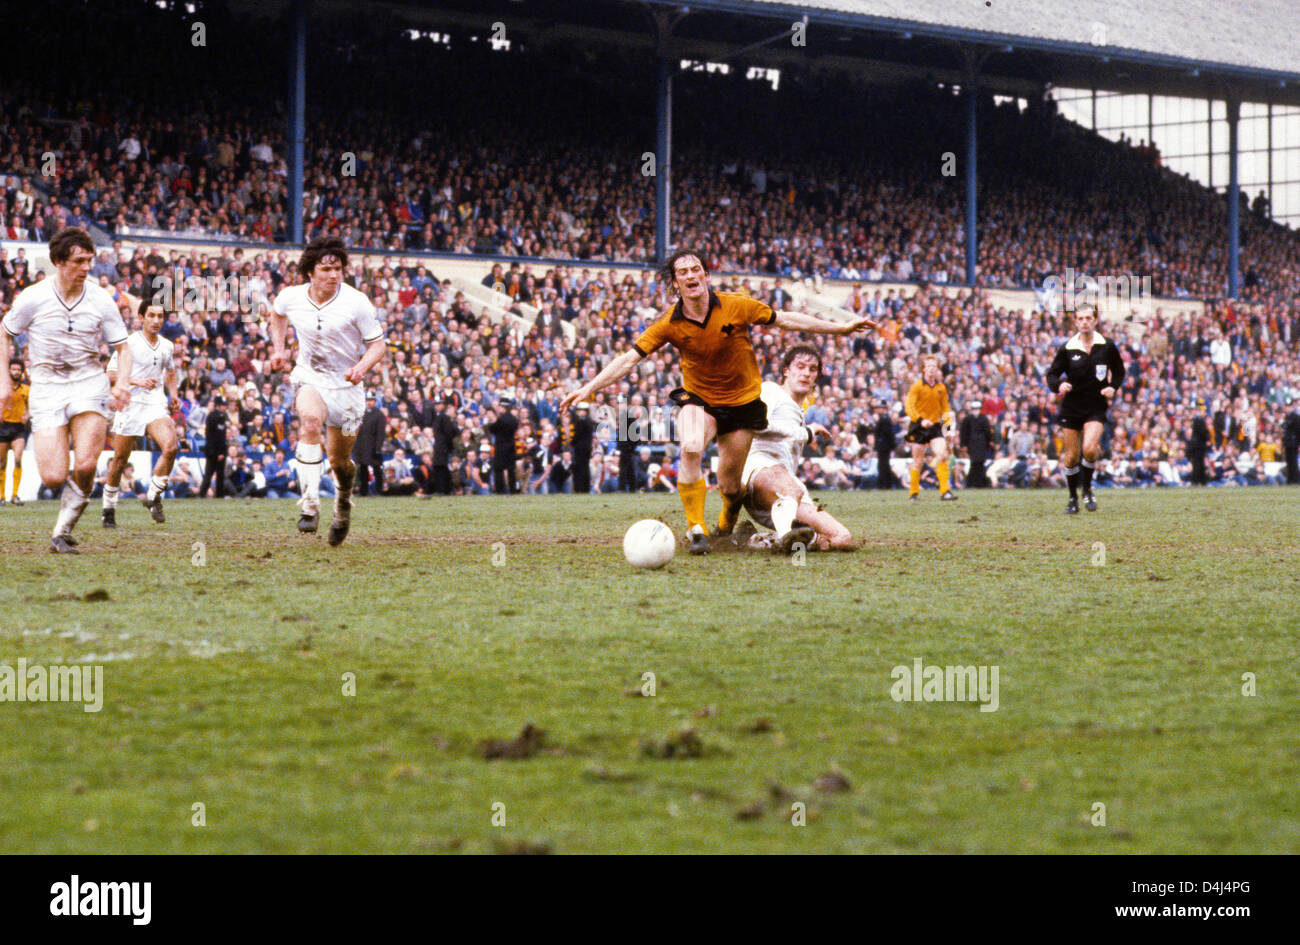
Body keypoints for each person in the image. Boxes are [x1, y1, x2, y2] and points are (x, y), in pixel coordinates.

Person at [558, 250, 874, 554]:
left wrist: (840, 328)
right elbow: (629, 359)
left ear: (706, 276)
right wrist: (589, 388)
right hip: (700, 400)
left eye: (696, 269)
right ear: (675, 283)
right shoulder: (670, 322)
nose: (691, 275)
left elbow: (786, 320)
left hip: (742, 405)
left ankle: (726, 524)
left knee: (731, 488)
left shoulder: (736, 305)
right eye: (683, 272)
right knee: (691, 445)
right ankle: (697, 530)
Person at [0, 227, 132, 553]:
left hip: (88, 381)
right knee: (54, 477)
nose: (87, 267)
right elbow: (4, 334)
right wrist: (4, 381)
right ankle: (63, 521)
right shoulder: (32, 297)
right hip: (45, 384)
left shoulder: (101, 299)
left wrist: (123, 383)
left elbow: (124, 348)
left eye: (90, 260)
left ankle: (62, 530)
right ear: (59, 261)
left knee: (86, 464)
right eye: (79, 261)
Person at [269, 235, 387, 545]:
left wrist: (361, 368)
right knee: (309, 422)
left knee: (340, 463)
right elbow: (277, 313)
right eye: (326, 268)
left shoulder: (356, 301)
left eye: (338, 268)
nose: (333, 275)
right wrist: (279, 350)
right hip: (311, 376)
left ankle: (343, 504)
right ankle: (309, 506)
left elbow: (378, 345)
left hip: (347, 388)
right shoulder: (291, 296)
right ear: (311, 271)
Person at [742, 345, 853, 553]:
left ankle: (754, 540)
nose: (806, 373)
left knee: (840, 538)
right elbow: (756, 424)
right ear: (786, 371)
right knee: (791, 488)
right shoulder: (771, 390)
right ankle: (786, 538)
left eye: (812, 369)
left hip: (787, 492)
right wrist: (807, 433)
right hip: (759, 471)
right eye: (800, 367)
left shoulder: (799, 411)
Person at [101, 299, 180, 527]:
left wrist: (173, 395)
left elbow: (171, 372)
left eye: (160, 316)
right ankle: (109, 508)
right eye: (152, 315)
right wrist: (135, 380)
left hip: (155, 402)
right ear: (141, 318)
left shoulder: (166, 345)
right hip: (131, 402)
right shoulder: (128, 343)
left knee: (171, 446)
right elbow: (111, 373)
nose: (156, 320)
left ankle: (154, 496)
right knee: (119, 460)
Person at [1045, 304, 1126, 514]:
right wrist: (1058, 385)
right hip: (1071, 407)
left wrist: (1112, 387)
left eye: (1088, 318)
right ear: (1075, 322)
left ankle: (1088, 489)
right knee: (1071, 457)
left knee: (1089, 449)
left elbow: (1119, 371)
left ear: (1096, 320)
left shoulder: (1106, 346)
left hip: (1095, 406)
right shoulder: (1068, 348)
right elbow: (1052, 375)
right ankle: (1073, 498)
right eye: (1080, 319)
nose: (1084, 322)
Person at [903, 355, 957, 501]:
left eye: (934, 366)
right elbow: (909, 406)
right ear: (924, 369)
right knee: (918, 461)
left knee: (943, 454)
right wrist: (920, 420)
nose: (932, 369)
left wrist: (948, 429)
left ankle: (945, 491)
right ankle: (913, 493)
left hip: (934, 426)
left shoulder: (941, 388)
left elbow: (945, 409)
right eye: (929, 366)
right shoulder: (917, 386)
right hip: (918, 427)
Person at [0, 359, 30, 505]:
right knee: (1, 463)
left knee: (18, 459)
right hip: (3, 426)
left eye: (19, 369)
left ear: (22, 371)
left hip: (19, 427)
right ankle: (1, 496)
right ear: (9, 371)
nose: (16, 372)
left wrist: (27, 415)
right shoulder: (3, 388)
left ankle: (15, 494)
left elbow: (31, 406)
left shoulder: (26, 389)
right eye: (14, 369)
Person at [353, 392, 386, 497]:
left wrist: (378, 448)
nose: (369, 403)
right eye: (367, 400)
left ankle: (379, 490)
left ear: (375, 402)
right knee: (363, 469)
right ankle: (364, 491)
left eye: (371, 400)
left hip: (373, 446)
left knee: (377, 469)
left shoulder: (379, 414)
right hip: (361, 446)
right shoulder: (359, 413)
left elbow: (381, 433)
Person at [959, 401, 994, 488]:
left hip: (982, 444)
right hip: (972, 444)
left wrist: (989, 444)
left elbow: (988, 433)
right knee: (974, 463)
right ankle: (972, 483)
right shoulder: (967, 419)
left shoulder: (984, 419)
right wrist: (964, 445)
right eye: (974, 409)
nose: (976, 411)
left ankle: (980, 483)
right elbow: (963, 433)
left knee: (981, 463)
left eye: (977, 409)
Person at [487, 401, 519, 494]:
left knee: (498, 469)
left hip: (501, 446)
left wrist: (491, 422)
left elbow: (493, 429)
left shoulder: (501, 419)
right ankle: (513, 490)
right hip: (511, 446)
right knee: (511, 470)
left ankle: (500, 490)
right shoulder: (514, 419)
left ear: (503, 408)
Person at [200, 396, 229, 498]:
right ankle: (212, 495)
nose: (225, 407)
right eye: (223, 405)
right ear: (219, 406)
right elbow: (216, 437)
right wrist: (220, 452)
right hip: (215, 451)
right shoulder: (216, 417)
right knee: (213, 474)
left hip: (214, 450)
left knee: (213, 475)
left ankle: (205, 494)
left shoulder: (216, 416)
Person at [432, 398, 459, 494]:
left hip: (441, 447)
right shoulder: (444, 418)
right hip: (443, 447)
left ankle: (443, 489)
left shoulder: (442, 418)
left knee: (441, 468)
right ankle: (444, 489)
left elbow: (448, 433)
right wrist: (450, 447)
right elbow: (449, 434)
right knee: (442, 468)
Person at [874, 400, 897, 490]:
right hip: (884, 445)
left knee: (883, 465)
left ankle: (882, 484)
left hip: (884, 446)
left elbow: (888, 434)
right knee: (884, 464)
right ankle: (887, 484)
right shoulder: (884, 419)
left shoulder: (884, 419)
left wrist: (891, 446)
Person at [1282, 404, 1300, 486]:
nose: (1287, 408)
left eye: (1288, 406)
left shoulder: (1295, 417)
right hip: (1288, 443)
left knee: (1293, 462)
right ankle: (1290, 479)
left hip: (1293, 443)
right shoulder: (1287, 417)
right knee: (1289, 462)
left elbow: (1298, 431)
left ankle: (1295, 480)